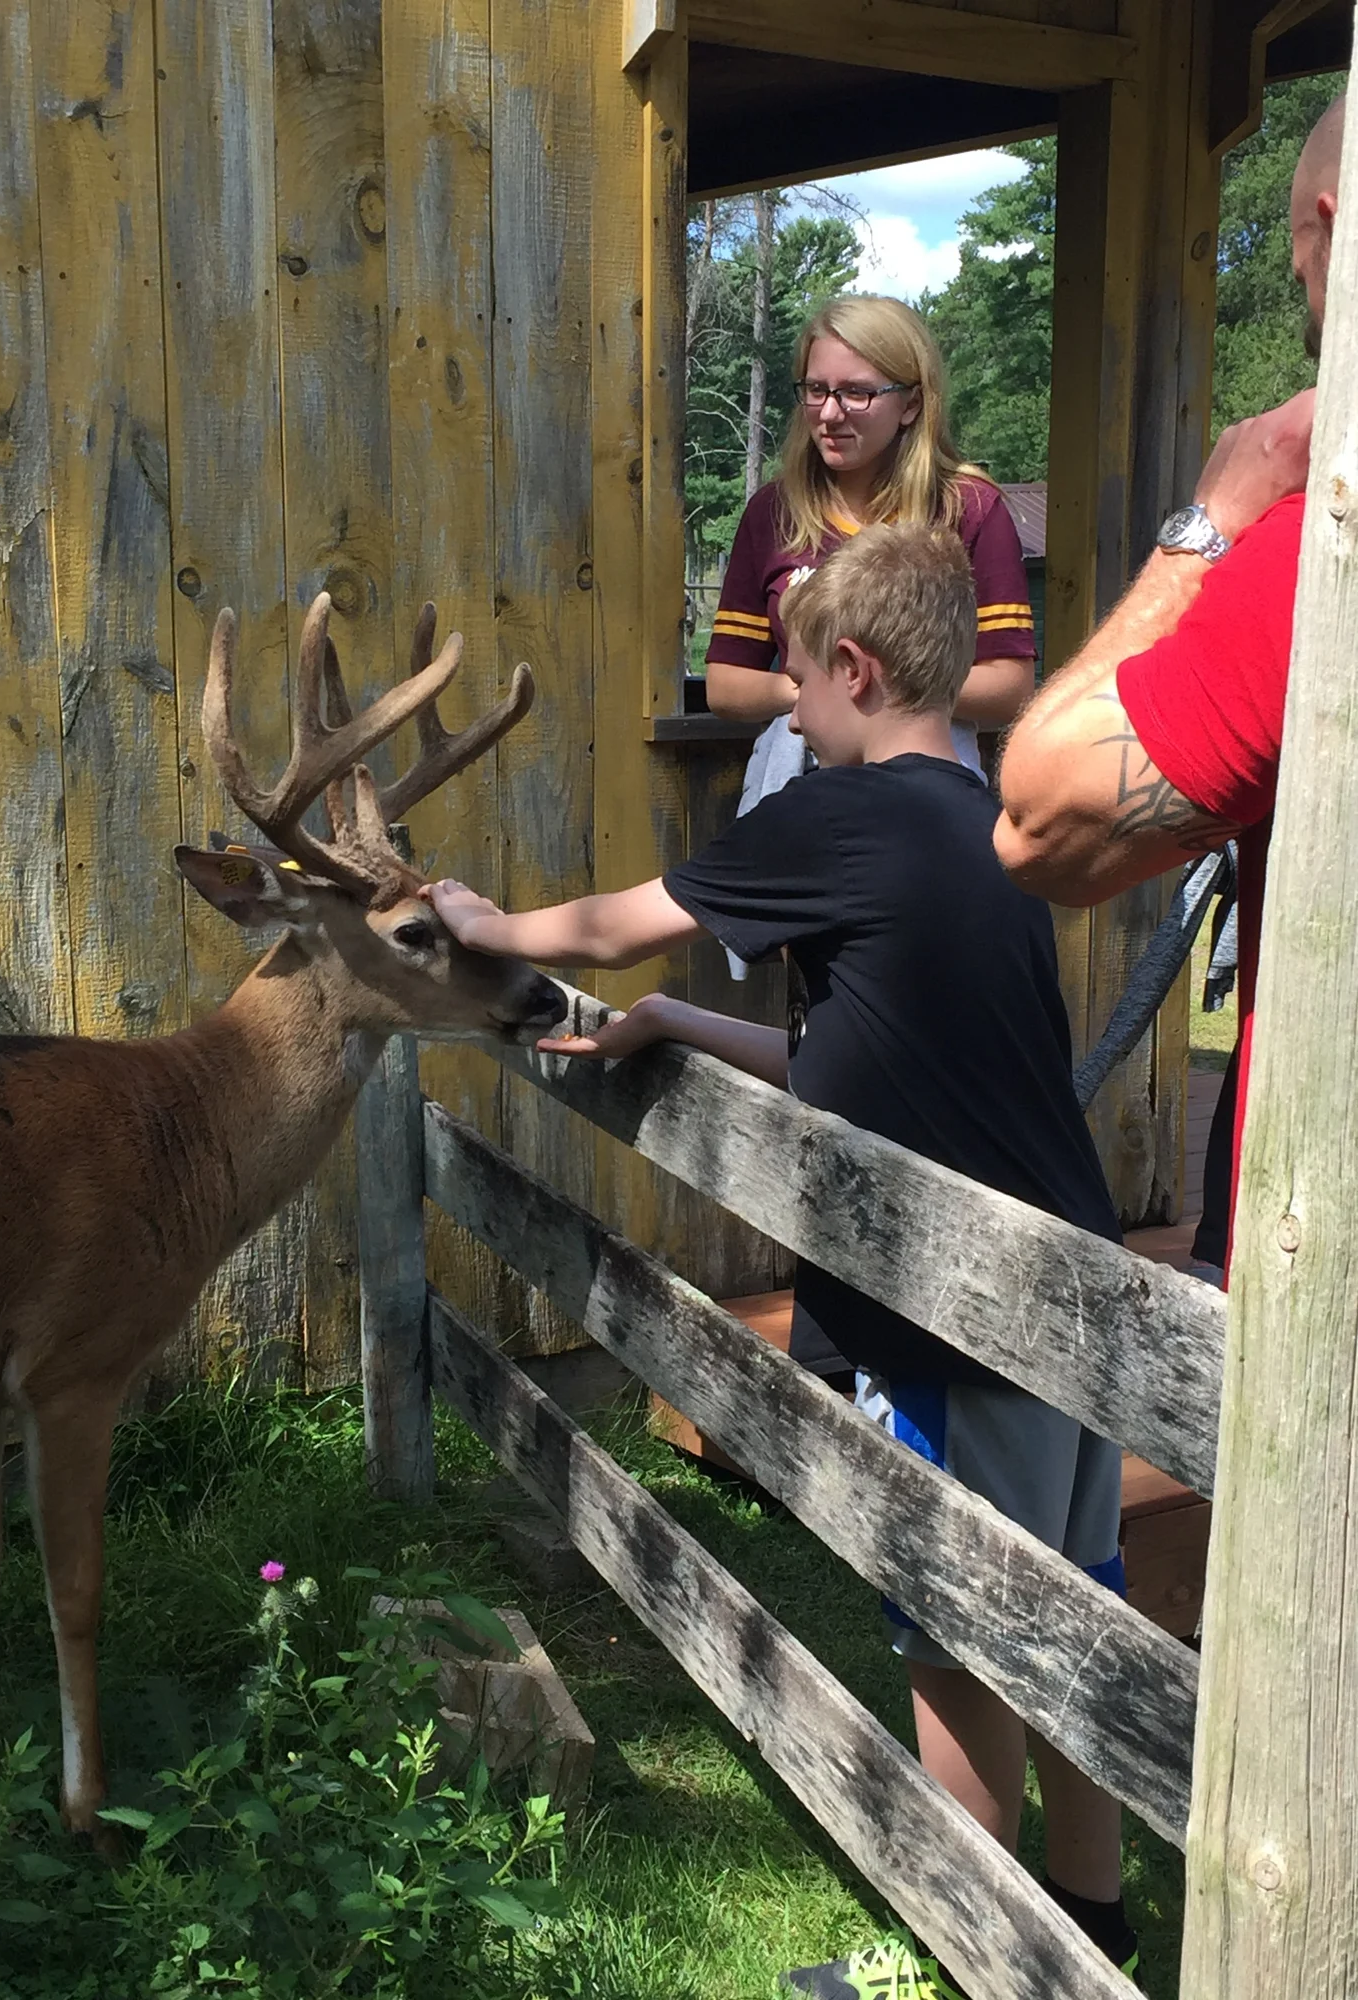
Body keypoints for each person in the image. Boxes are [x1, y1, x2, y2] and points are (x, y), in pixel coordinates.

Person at [429, 523, 1143, 1998]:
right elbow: (849, 1056)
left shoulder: (841, 814)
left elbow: (620, 924)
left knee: (959, 1628)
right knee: (1080, 1599)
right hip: (1081, 1288)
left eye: (798, 686)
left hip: (961, 1304)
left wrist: (485, 924)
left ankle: (964, 1940)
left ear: (855, 669)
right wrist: (679, 1026)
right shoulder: (983, 820)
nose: (788, 719)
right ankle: (1094, 1909)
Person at [993, 91, 1344, 1257]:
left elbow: (1042, 823)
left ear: (1333, 231)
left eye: (1298, 268)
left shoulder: (1315, 556)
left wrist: (1212, 518)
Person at [705, 294, 1037, 789]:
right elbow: (725, 685)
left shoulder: (967, 508)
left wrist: (878, 694)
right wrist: (817, 694)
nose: (830, 414)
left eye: (857, 393)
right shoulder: (775, 511)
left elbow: (1010, 685)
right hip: (795, 772)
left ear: (911, 403)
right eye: (817, 389)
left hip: (925, 776)